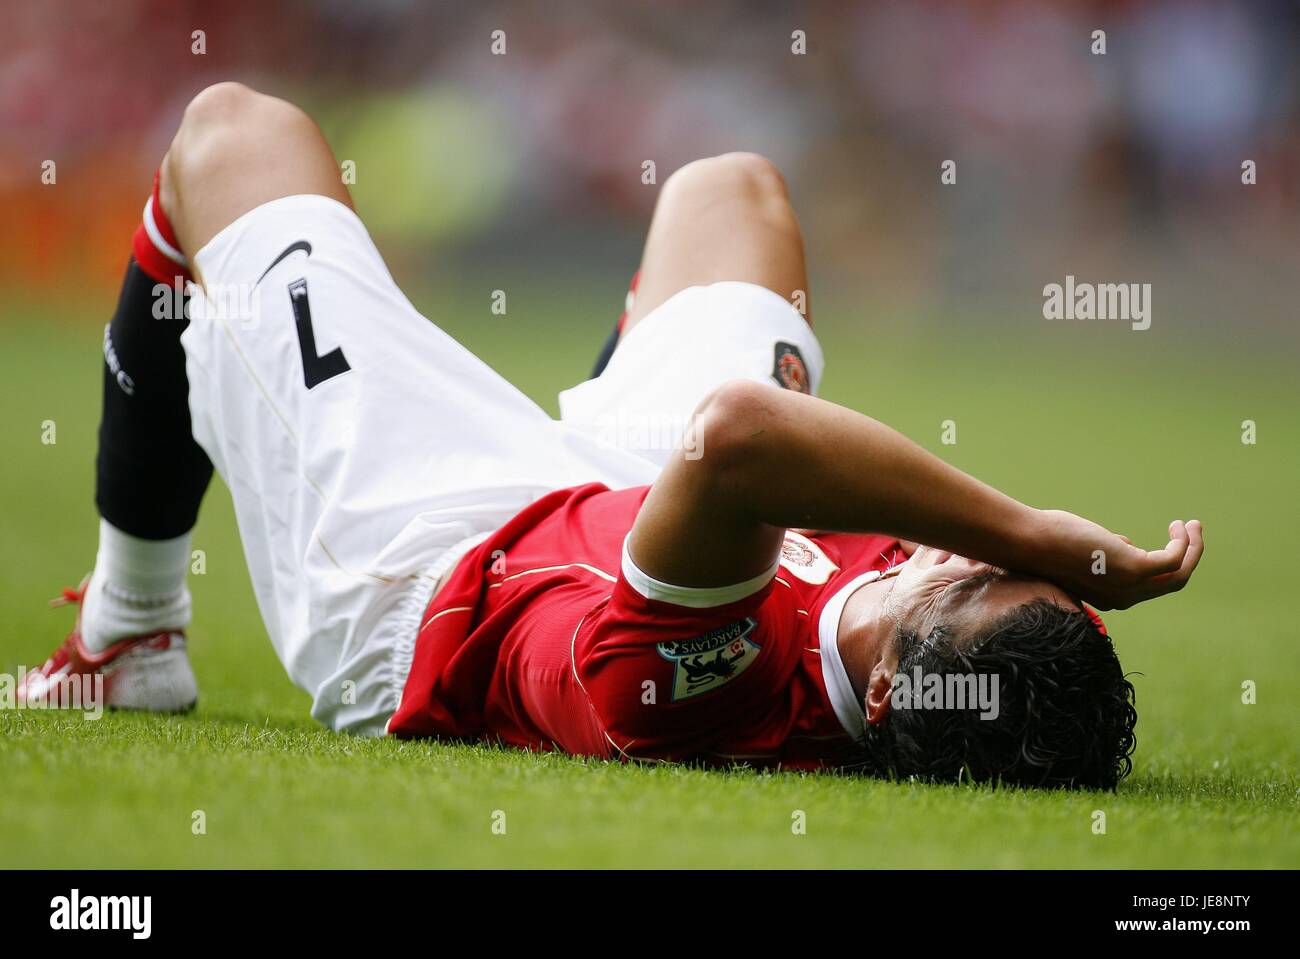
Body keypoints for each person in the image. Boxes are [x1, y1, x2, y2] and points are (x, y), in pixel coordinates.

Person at [22, 83, 1203, 789]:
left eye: (958, 583)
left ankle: (130, 634)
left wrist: (1031, 524)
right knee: (730, 191)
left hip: (434, 565)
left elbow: (740, 434)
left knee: (229, 133)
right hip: (645, 503)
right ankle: (599, 426)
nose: (949, 556)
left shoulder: (700, 691)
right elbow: (733, 453)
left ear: (889, 689)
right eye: (1004, 567)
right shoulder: (949, 650)